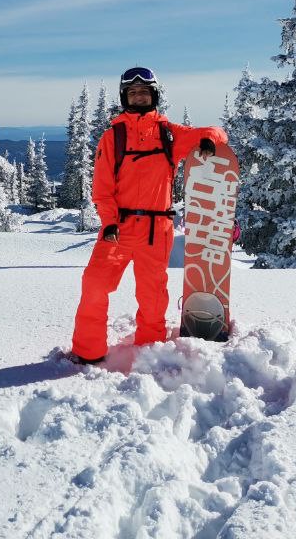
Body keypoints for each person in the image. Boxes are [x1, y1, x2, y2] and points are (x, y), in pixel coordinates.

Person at [67, 66, 228, 365]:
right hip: (120, 228)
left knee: (153, 296)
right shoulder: (113, 137)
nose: (138, 96)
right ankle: (89, 350)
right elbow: (102, 189)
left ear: (153, 94)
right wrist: (110, 222)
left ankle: (149, 351)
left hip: (158, 230)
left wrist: (209, 140)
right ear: (124, 97)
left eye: (144, 91)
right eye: (132, 92)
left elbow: (216, 132)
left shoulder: (169, 134)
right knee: (95, 284)